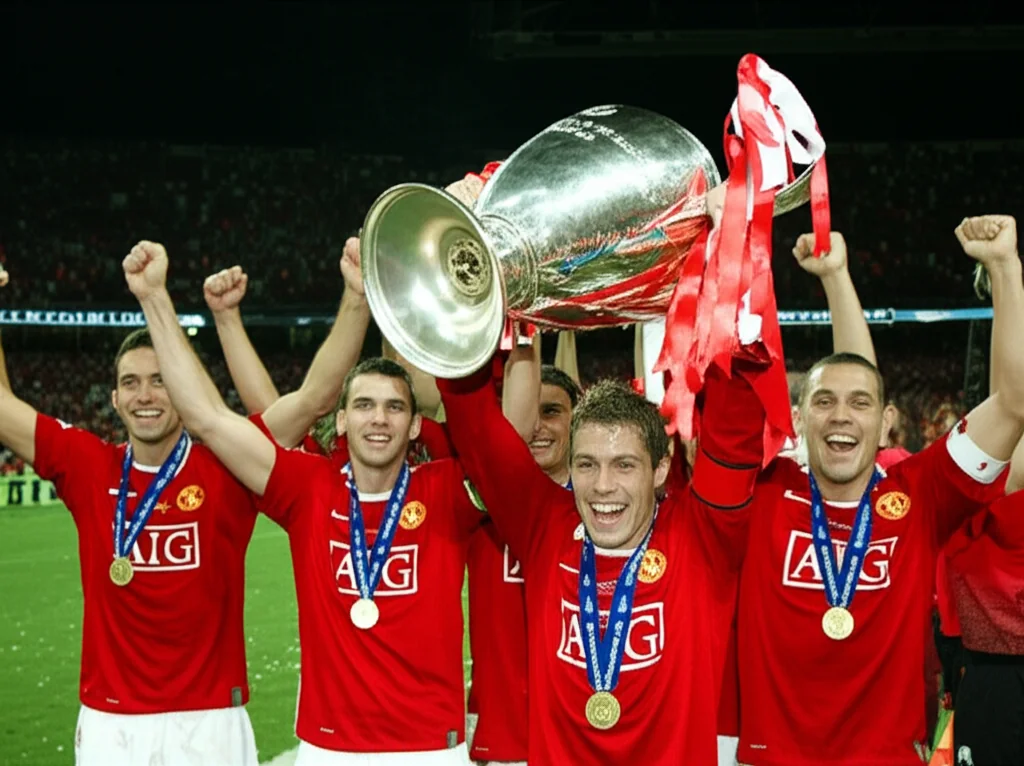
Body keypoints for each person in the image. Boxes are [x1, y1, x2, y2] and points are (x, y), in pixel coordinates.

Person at [0, 247, 365, 765]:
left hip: (211, 719)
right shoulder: (87, 465)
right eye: (131, 382)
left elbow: (314, 398)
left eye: (161, 380)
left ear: (184, 389)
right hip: (112, 722)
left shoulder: (227, 463)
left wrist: (355, 296)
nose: (146, 395)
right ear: (113, 399)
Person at [124, 240, 480, 765]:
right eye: (362, 405)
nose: (378, 419)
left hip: (431, 749)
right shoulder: (308, 486)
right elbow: (207, 418)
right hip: (327, 749)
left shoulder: (447, 490)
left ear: (414, 425)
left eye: (393, 408)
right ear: (340, 420)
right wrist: (154, 298)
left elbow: (506, 434)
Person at [734, 215, 1024, 765]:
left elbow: (1014, 403)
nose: (841, 416)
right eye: (822, 403)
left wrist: (1006, 267)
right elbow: (850, 380)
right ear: (798, 417)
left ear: (888, 420)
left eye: (861, 405)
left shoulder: (922, 493)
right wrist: (834, 275)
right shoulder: (763, 492)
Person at [439, 304, 770, 764]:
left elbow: (736, 431)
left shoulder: (701, 538)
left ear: (659, 469)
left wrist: (734, 289)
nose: (602, 486)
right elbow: (476, 427)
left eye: (624, 465)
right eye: (587, 464)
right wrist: (467, 310)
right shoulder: (544, 527)